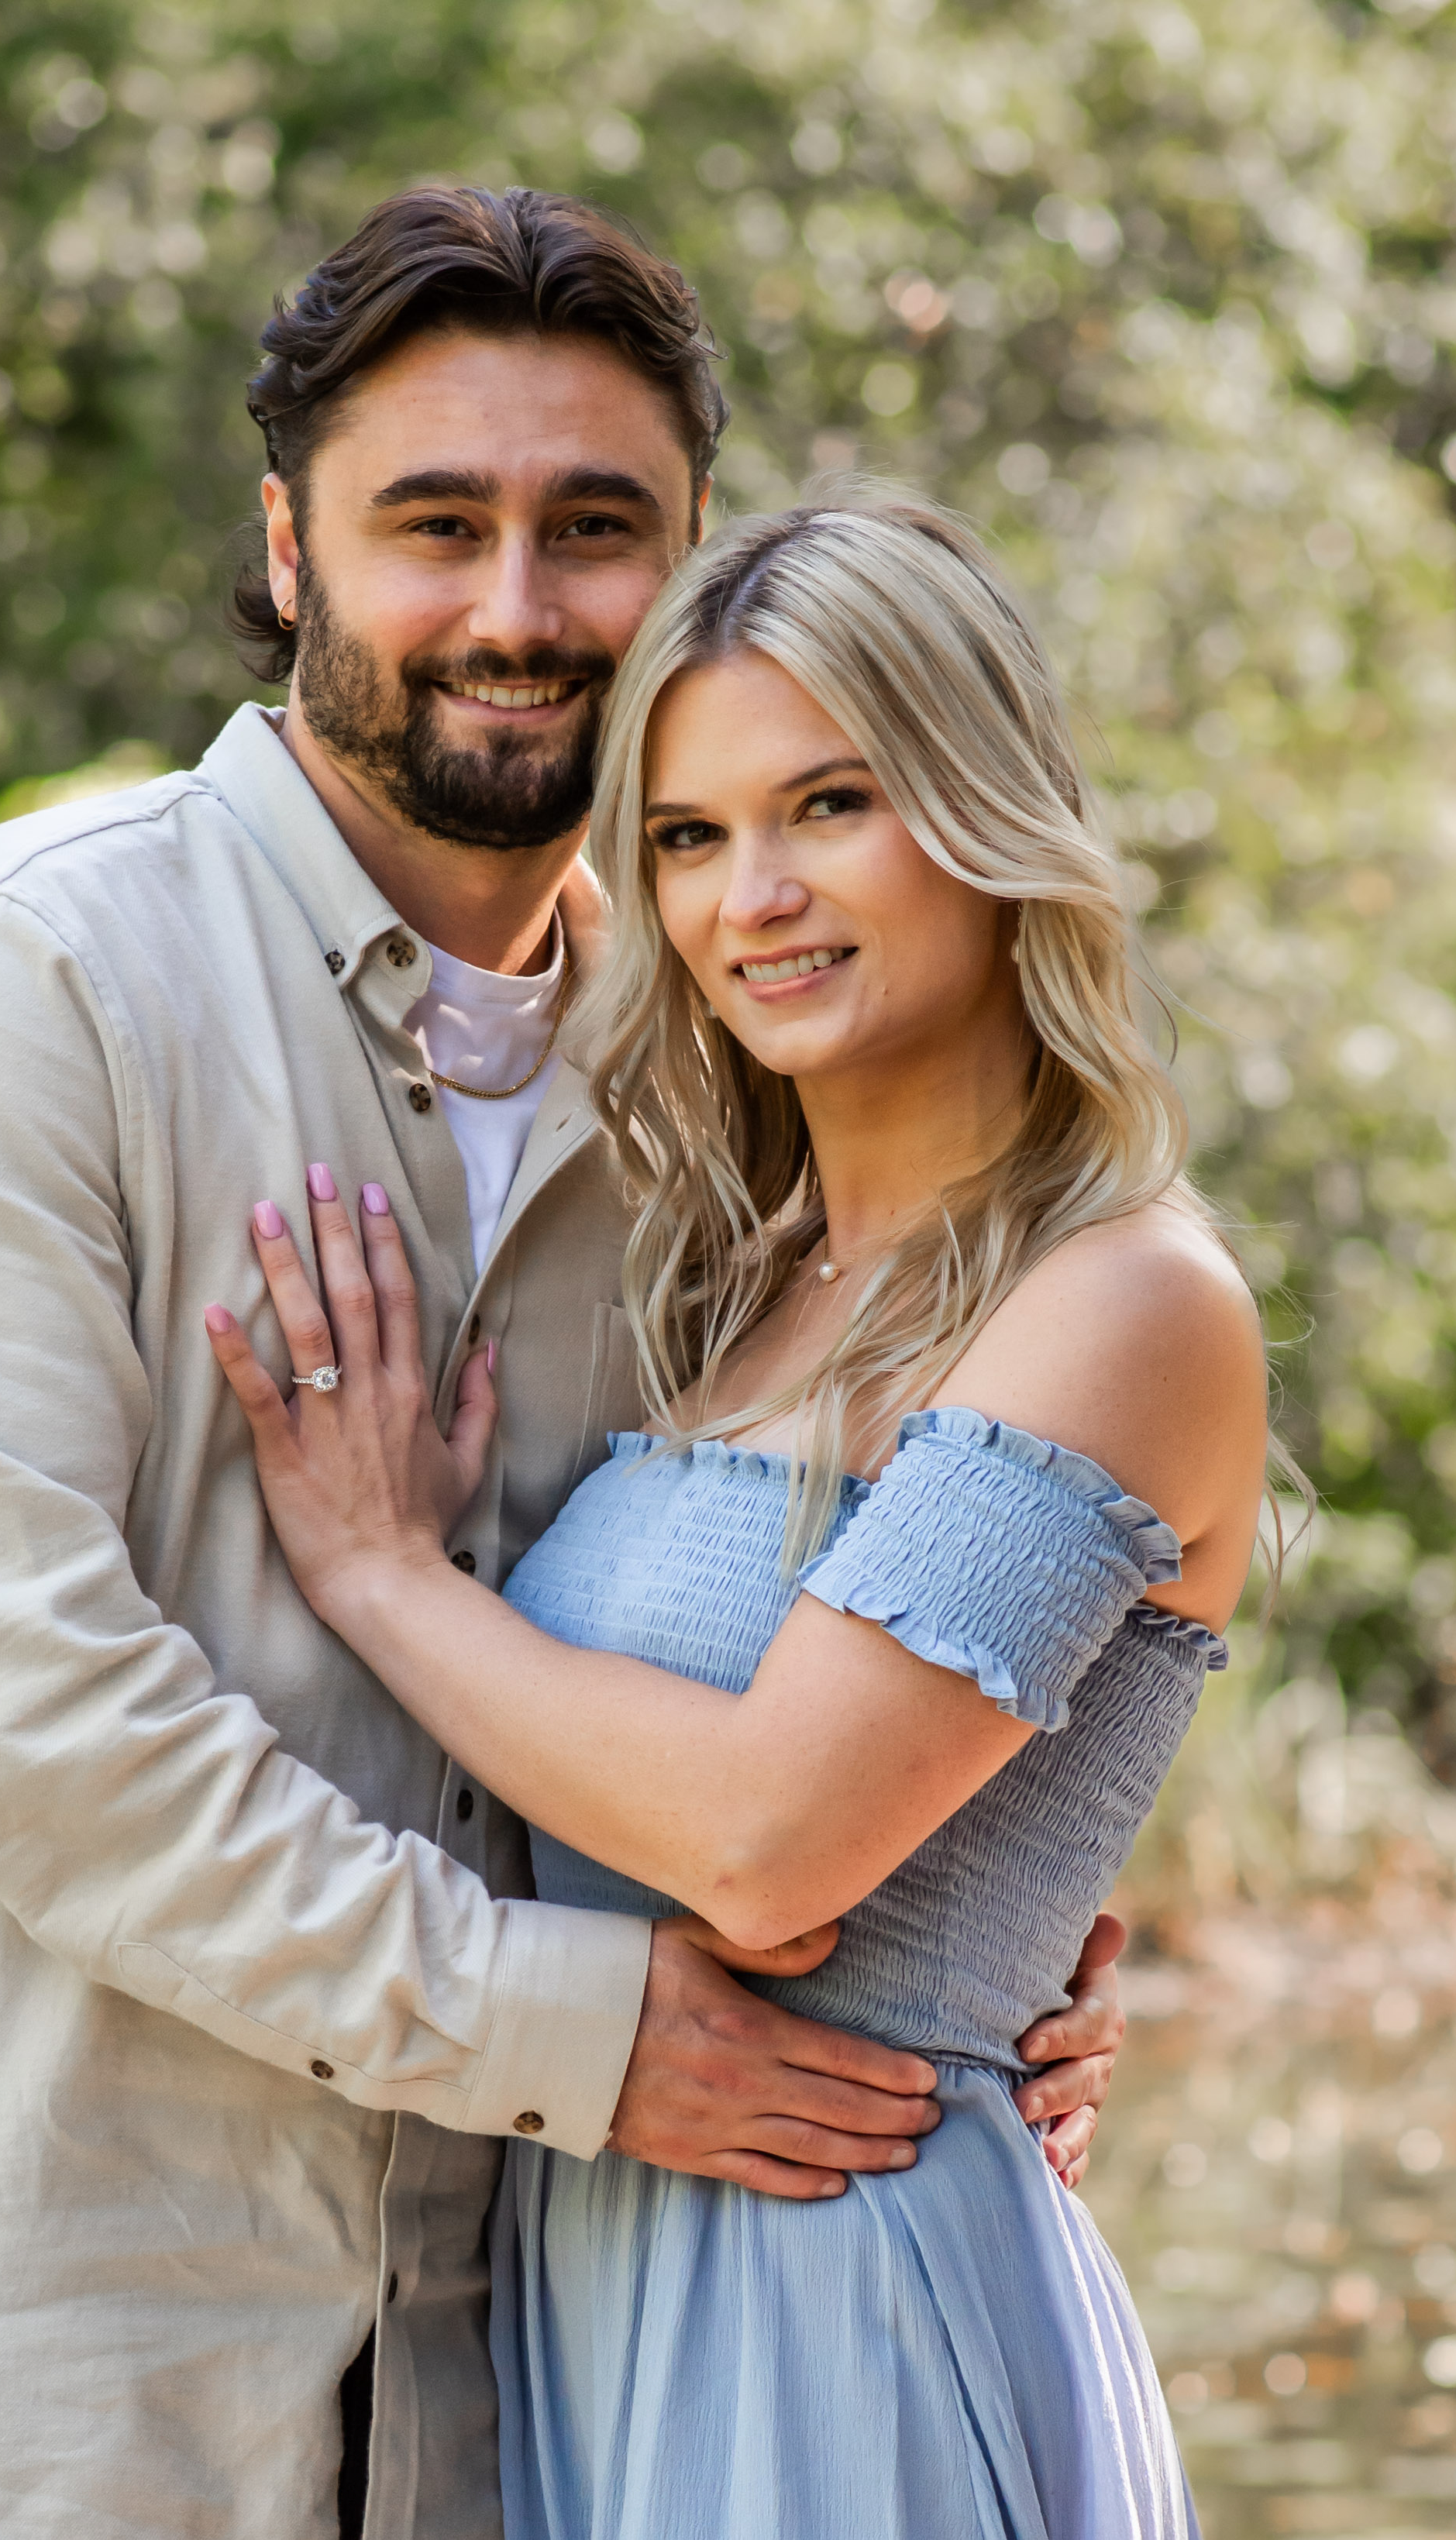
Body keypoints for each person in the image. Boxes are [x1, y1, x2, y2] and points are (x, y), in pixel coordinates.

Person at [0, 191, 1133, 2540]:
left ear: (690, 565)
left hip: (496, 2433)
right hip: (1, 2435)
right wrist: (588, 2037)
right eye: (433, 525)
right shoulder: (19, 990)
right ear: (286, 550)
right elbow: (22, 1720)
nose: (519, 609)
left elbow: (776, 1698)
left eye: (597, 530)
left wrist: (979, 1965)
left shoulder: (718, 1115)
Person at [202, 490, 1272, 2536]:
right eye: (689, 837)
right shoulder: (730, 1281)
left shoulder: (1125, 1296)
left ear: (981, 811)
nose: (752, 895)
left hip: (848, 2308)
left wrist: (372, 1569)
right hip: (603, 2291)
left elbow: (770, 1849)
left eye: (832, 805)